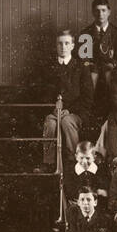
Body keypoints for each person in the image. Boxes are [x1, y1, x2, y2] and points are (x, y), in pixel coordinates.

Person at [41, 29, 93, 170]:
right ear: (56, 46)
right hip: (54, 111)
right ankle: (49, 163)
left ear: (72, 46)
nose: (63, 47)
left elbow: (87, 97)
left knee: (66, 121)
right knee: (50, 123)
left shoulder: (81, 67)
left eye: (66, 43)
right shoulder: (48, 67)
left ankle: (73, 161)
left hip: (76, 113)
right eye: (60, 44)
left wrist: (69, 110)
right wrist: (53, 108)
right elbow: (43, 92)